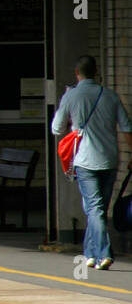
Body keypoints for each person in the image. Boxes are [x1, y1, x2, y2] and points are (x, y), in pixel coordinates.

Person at [50, 55, 132, 270]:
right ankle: (90, 254)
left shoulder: (71, 96)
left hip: (85, 160)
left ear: (77, 74)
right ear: (96, 73)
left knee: (94, 209)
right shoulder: (111, 96)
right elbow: (126, 127)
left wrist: (73, 123)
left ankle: (104, 254)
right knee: (98, 209)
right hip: (110, 159)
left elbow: (56, 128)